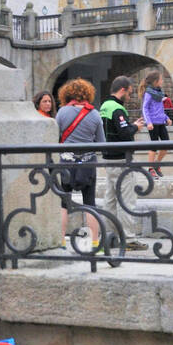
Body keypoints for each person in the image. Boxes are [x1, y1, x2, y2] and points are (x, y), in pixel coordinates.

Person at [55, 78, 105, 251]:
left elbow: (55, 138)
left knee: (63, 204)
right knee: (90, 203)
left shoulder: (61, 113)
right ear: (88, 94)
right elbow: (101, 143)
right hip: (87, 163)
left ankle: (61, 242)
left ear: (67, 94)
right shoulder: (94, 114)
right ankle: (94, 243)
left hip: (66, 163)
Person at [99, 77, 148, 251]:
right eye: (130, 92)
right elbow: (125, 134)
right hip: (121, 160)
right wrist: (135, 127)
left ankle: (108, 235)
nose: (130, 95)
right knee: (126, 200)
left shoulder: (104, 106)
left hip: (108, 159)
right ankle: (128, 239)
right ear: (123, 90)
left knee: (110, 200)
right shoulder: (117, 109)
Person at [141, 71, 170, 179]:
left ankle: (156, 164)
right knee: (154, 146)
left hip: (161, 122)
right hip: (152, 123)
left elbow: (160, 108)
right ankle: (150, 169)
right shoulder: (148, 93)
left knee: (167, 145)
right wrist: (148, 122)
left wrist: (166, 118)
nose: (162, 81)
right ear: (155, 81)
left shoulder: (159, 92)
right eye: (161, 79)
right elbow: (145, 108)